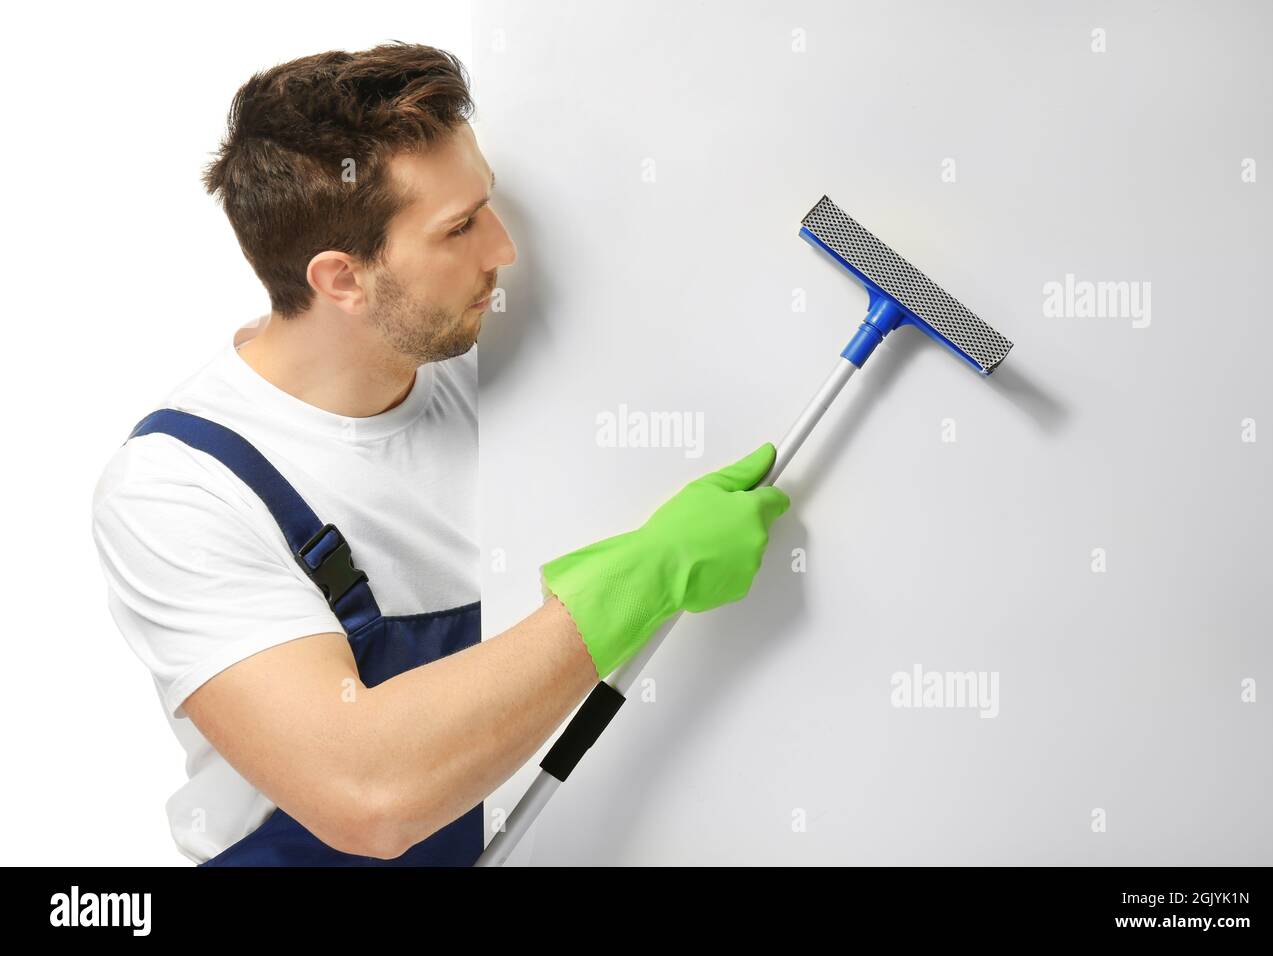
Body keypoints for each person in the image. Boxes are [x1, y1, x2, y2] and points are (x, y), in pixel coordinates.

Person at [90, 41, 791, 866]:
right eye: (459, 228)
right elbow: (367, 795)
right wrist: (643, 577)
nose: (504, 250)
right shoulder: (182, 486)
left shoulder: (500, 389)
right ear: (342, 280)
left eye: (485, 205)